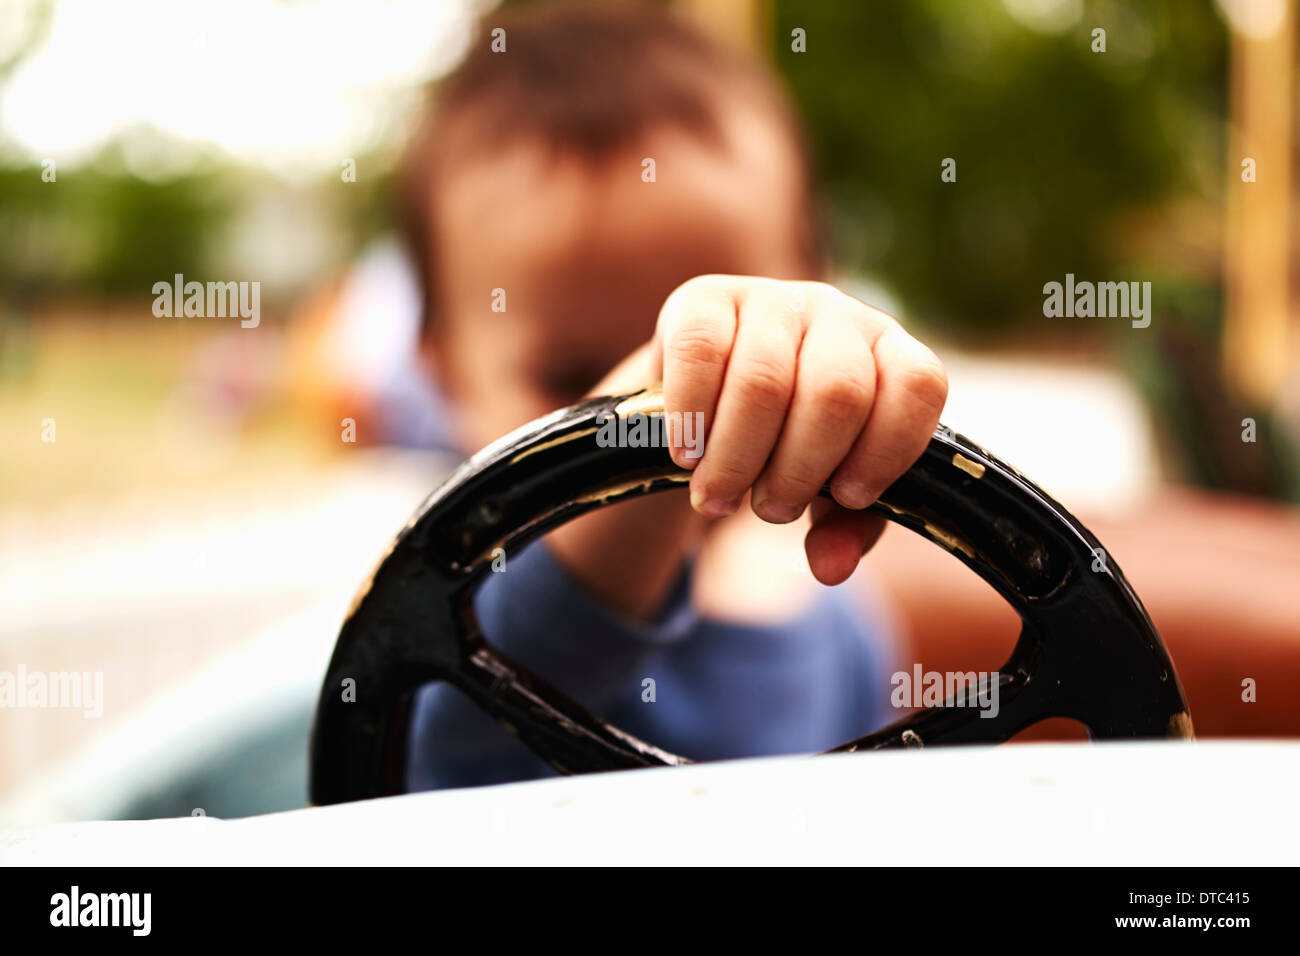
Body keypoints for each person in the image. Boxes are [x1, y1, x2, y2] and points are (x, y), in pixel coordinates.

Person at [396, 1, 947, 789]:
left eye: (734, 356)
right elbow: (487, 710)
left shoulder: (846, 629)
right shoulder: (448, 634)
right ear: (447, 377)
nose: (670, 410)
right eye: (574, 376)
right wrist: (673, 396)